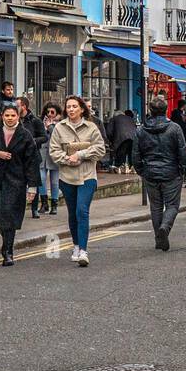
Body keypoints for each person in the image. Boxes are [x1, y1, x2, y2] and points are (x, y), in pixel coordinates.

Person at [0, 103, 40, 266]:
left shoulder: (25, 135)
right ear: (2, 116)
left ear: (18, 117)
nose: (10, 118)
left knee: (8, 214)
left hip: (17, 181)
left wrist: (32, 187)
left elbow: (32, 162)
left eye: (13, 115)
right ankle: (7, 242)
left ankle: (8, 251)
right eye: (7, 115)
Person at [47, 95, 107, 266]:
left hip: (87, 177)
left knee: (82, 211)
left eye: (75, 106)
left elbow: (100, 149)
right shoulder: (59, 128)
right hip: (67, 177)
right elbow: (54, 151)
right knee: (73, 213)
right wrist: (68, 159)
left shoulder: (92, 128)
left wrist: (81, 154)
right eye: (68, 107)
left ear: (82, 109)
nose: (71, 109)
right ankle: (75, 245)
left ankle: (83, 250)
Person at [132, 96, 186, 251]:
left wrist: (141, 171)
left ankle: (159, 237)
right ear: (166, 109)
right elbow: (182, 152)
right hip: (171, 172)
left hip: (150, 172)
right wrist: (185, 169)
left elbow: (136, 155)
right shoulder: (175, 128)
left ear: (150, 110)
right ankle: (164, 228)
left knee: (156, 207)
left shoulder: (141, 130)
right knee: (172, 205)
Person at [16, 97, 48, 218]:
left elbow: (44, 137)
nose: (15, 108)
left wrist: (32, 141)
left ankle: (34, 209)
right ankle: (20, 209)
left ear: (23, 106)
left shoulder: (35, 121)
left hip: (33, 157)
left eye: (17, 105)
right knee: (19, 184)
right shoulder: (14, 119)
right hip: (18, 157)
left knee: (33, 182)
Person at [38, 103, 62, 215]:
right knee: (41, 179)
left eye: (52, 112)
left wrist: (50, 126)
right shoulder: (40, 123)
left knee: (54, 182)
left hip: (55, 155)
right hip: (42, 154)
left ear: (57, 113)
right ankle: (44, 203)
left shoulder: (61, 125)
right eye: (48, 112)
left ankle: (54, 205)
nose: (50, 114)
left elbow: (58, 137)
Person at [106, 108, 138, 174]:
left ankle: (120, 168)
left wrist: (111, 141)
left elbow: (109, 132)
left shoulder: (113, 119)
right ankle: (132, 168)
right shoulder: (130, 119)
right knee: (131, 154)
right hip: (134, 138)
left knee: (121, 155)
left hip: (121, 139)